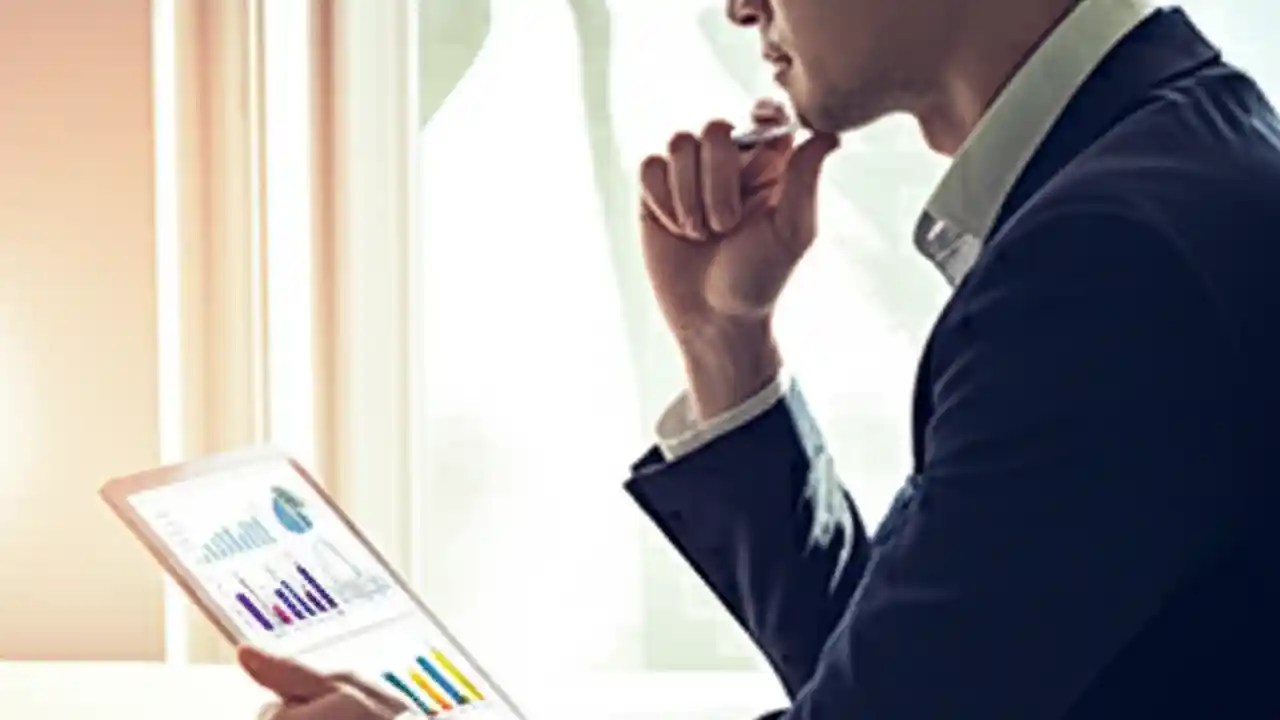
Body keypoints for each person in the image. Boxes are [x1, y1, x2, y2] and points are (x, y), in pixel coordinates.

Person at [241, 0, 1280, 717]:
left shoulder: (1109, 258)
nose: (735, 5)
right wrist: (722, 342)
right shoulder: (1158, 171)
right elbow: (908, 685)